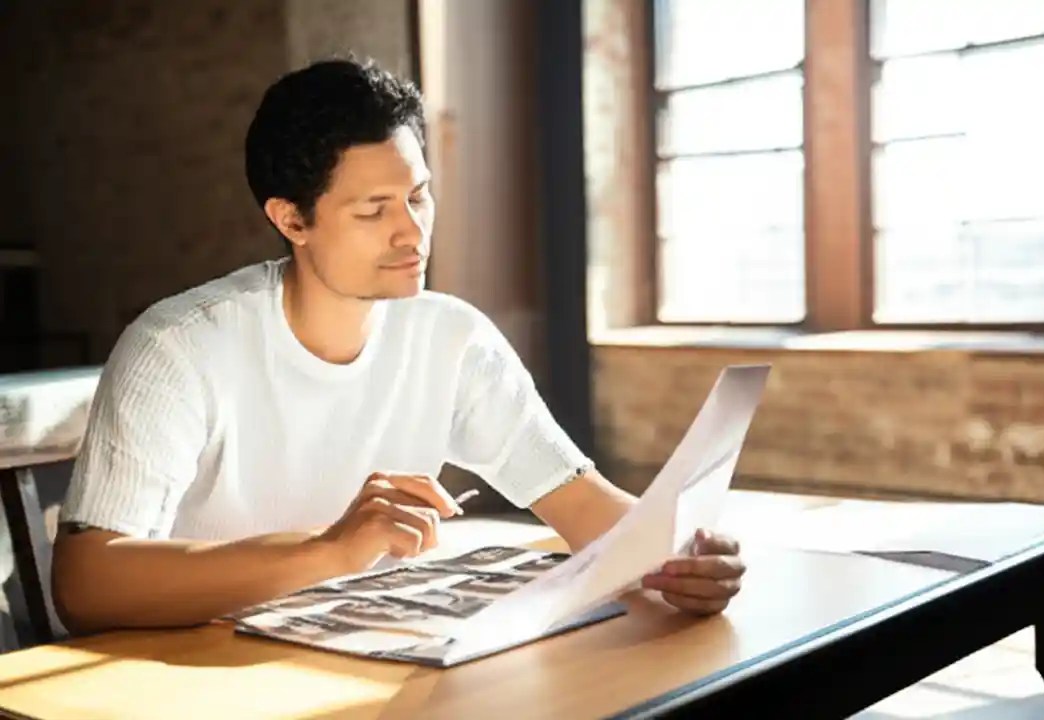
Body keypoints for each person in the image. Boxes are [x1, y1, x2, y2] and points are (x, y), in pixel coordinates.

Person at [51, 58, 745, 634]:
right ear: (291, 218)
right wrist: (329, 553)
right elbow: (87, 585)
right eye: (374, 210)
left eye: (419, 197)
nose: (412, 234)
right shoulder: (177, 350)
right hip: (199, 676)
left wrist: (679, 553)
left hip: (372, 659)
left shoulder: (451, 337)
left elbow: (586, 506)